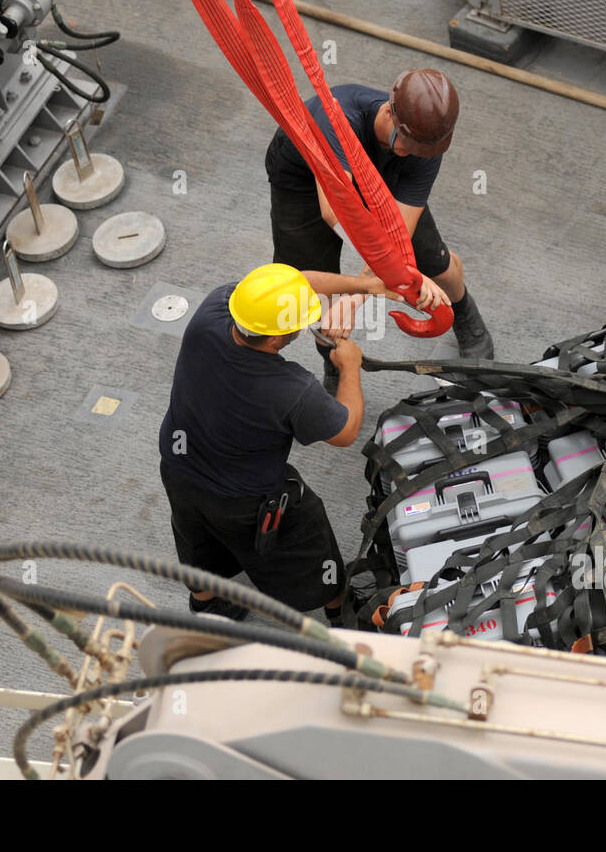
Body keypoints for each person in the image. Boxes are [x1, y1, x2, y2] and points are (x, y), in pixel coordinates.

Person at [158, 263, 446, 624]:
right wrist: (350, 366)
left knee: (195, 534)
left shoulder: (213, 312)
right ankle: (338, 608)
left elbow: (295, 283)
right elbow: (345, 430)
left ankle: (205, 601)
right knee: (306, 537)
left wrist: (366, 285)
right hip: (245, 498)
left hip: (178, 466)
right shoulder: (291, 389)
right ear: (278, 339)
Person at [266, 68, 495, 392]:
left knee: (434, 262)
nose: (412, 153)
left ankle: (466, 316)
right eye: (407, 144)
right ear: (389, 111)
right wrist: (358, 290)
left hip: (381, 175)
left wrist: (398, 274)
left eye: (421, 150)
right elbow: (335, 214)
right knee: (314, 285)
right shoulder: (338, 119)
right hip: (304, 178)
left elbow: (399, 232)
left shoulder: (423, 144)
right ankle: (334, 361)